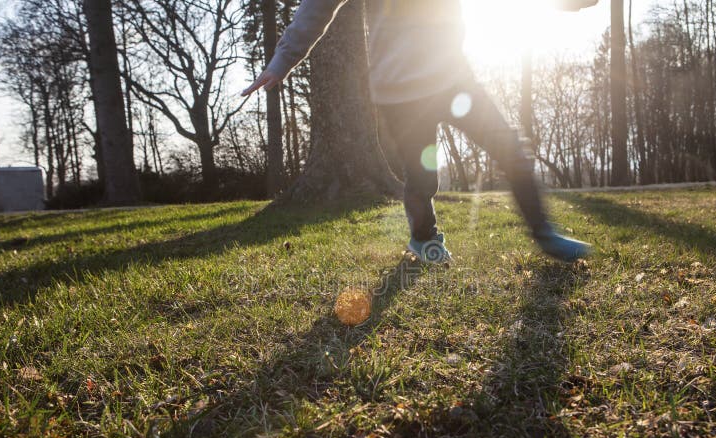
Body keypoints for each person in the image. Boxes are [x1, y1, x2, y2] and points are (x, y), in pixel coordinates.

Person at [243, 0, 595, 264]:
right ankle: (424, 239)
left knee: (507, 146)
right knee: (422, 177)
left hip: (454, 79)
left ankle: (544, 233)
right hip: (400, 93)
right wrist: (281, 61)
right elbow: (315, 10)